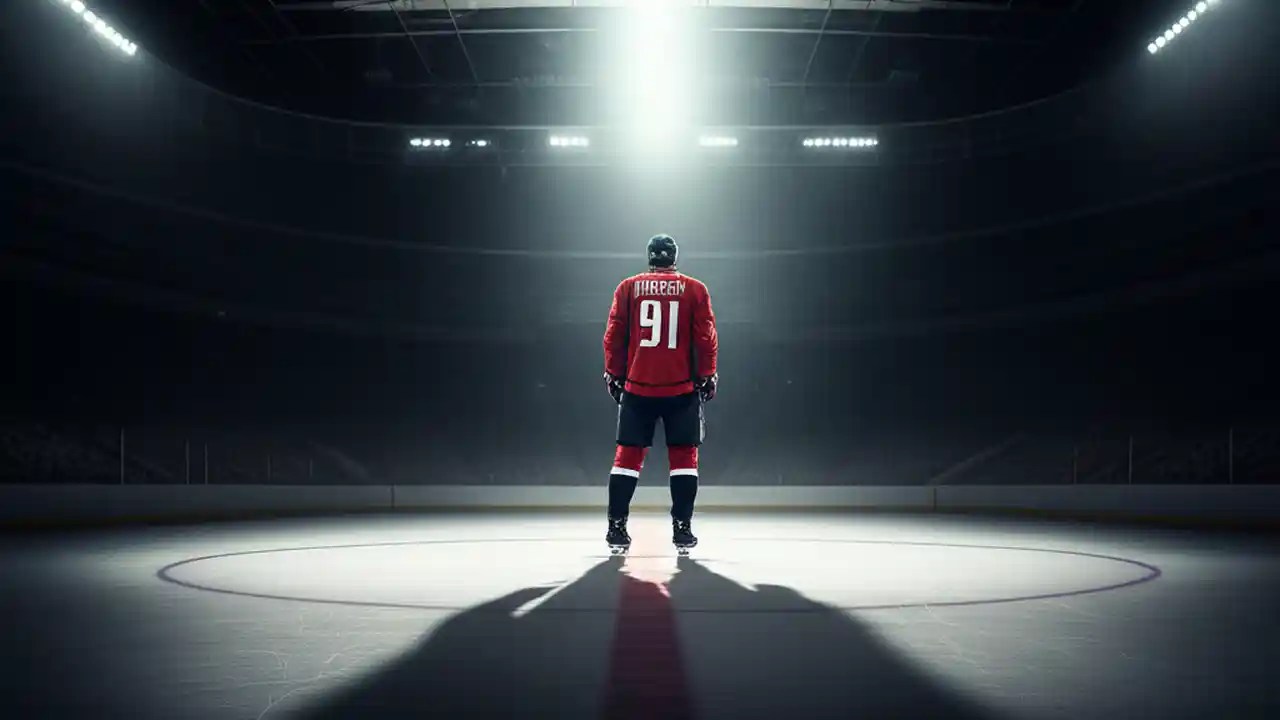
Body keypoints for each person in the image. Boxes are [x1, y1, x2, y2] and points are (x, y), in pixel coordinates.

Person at [601, 233, 718, 553]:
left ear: (650, 257)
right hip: (681, 388)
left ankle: (616, 527)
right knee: (684, 459)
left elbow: (613, 336)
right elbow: (705, 338)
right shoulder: (695, 289)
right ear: (674, 257)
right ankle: (682, 529)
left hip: (638, 386)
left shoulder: (627, 288)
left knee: (627, 458)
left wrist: (613, 373)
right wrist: (707, 375)